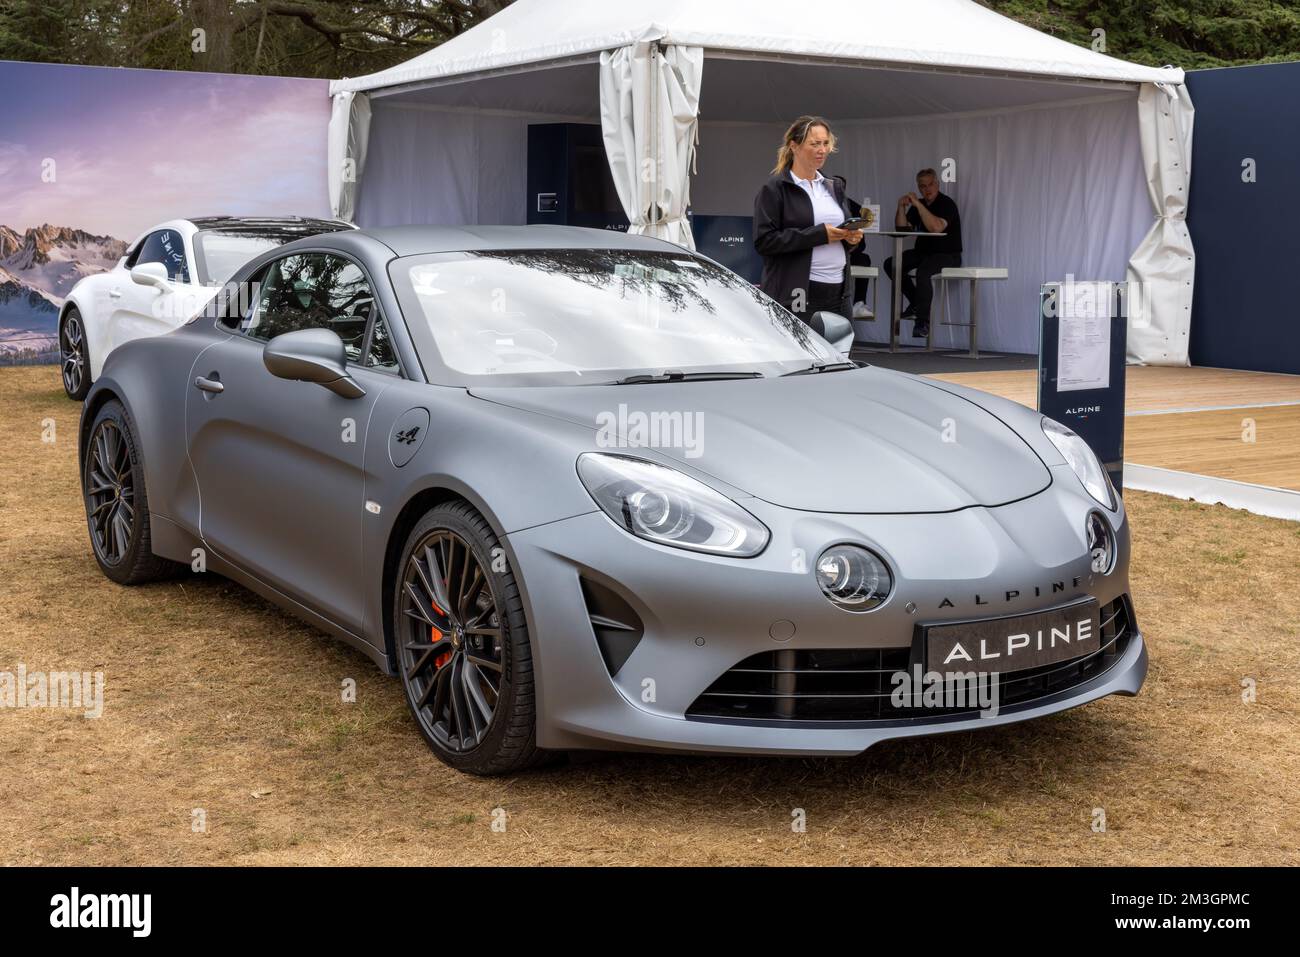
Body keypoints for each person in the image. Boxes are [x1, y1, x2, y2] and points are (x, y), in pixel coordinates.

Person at [753, 115, 863, 324]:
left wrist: (850, 239)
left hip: (839, 293)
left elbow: (839, 237)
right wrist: (819, 234)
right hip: (798, 292)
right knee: (805, 355)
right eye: (814, 144)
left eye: (825, 143)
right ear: (794, 146)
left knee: (838, 354)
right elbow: (764, 241)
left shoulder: (834, 186)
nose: (822, 150)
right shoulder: (775, 189)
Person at [882, 168, 962, 339]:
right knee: (892, 263)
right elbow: (902, 230)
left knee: (923, 272)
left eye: (930, 184)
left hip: (948, 254)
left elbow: (936, 228)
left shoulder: (946, 203)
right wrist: (901, 207)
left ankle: (922, 322)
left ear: (937, 184)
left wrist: (918, 205)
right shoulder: (920, 203)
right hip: (923, 252)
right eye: (923, 186)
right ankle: (917, 303)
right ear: (919, 188)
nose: (927, 189)